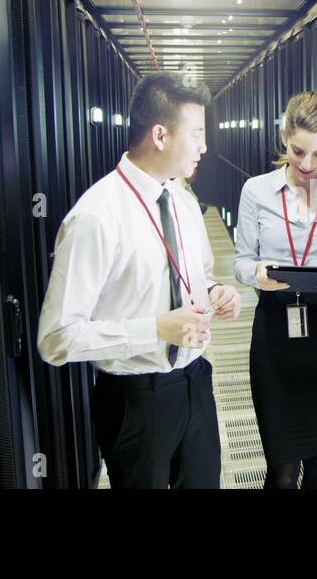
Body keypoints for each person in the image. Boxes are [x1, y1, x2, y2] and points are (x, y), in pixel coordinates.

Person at [37, 72, 241, 489]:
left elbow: (200, 276)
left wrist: (218, 293)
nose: (204, 147)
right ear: (161, 135)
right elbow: (55, 339)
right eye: (197, 134)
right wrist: (153, 329)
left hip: (196, 382)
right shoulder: (95, 216)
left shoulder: (184, 201)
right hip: (134, 399)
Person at [234, 91, 317, 489]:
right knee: (281, 469)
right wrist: (255, 273)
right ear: (283, 137)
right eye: (297, 151)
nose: (307, 164)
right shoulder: (256, 191)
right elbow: (241, 261)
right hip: (275, 335)